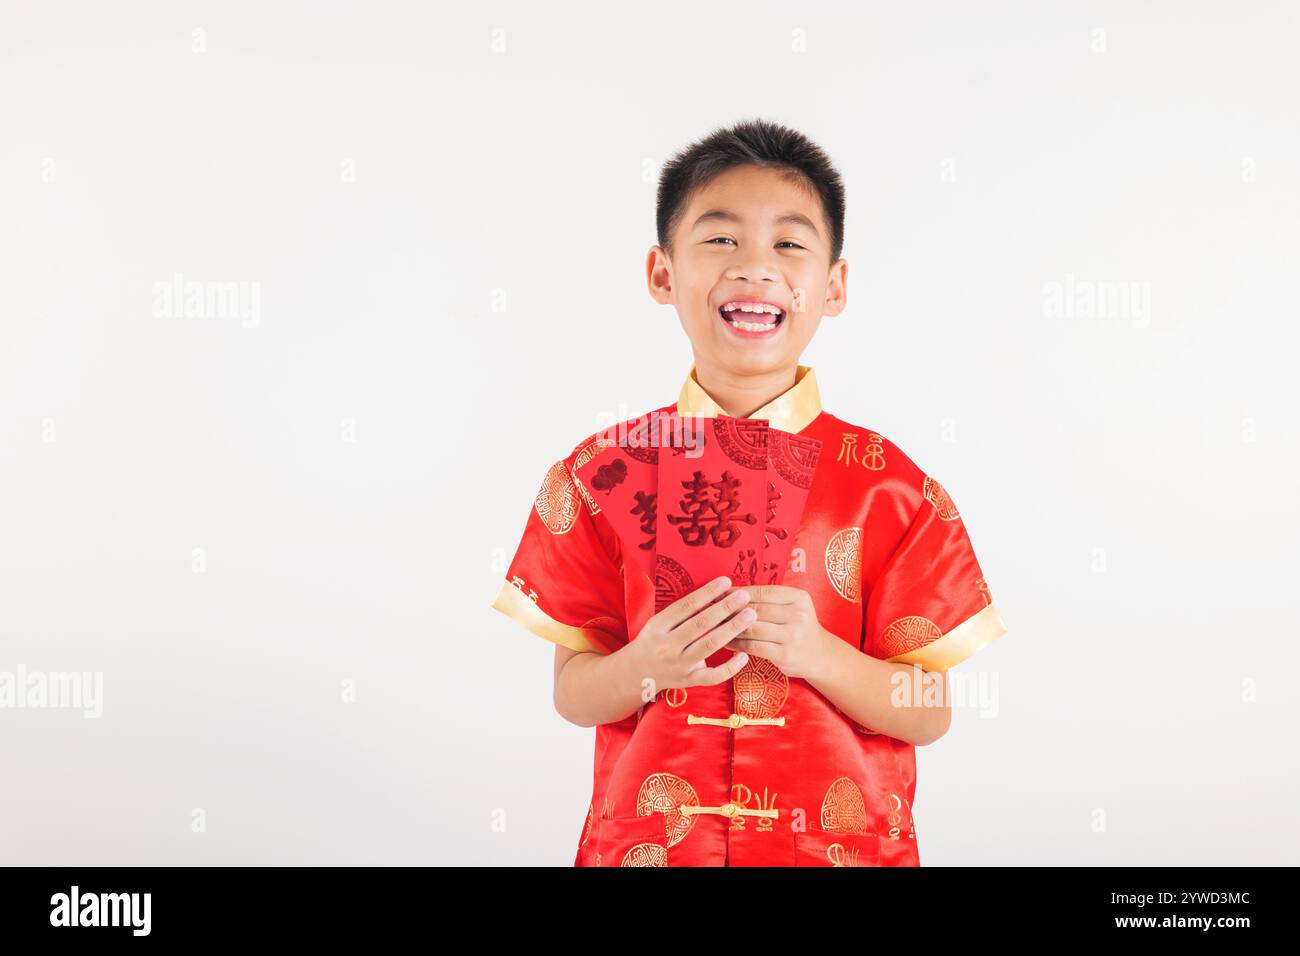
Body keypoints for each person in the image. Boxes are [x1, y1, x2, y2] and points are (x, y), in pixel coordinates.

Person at [490, 118, 1007, 866]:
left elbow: (928, 713)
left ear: (834, 286)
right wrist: (649, 664)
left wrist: (820, 655)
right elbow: (573, 694)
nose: (755, 268)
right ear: (662, 273)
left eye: (789, 244)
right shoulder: (600, 473)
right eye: (722, 239)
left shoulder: (892, 486)